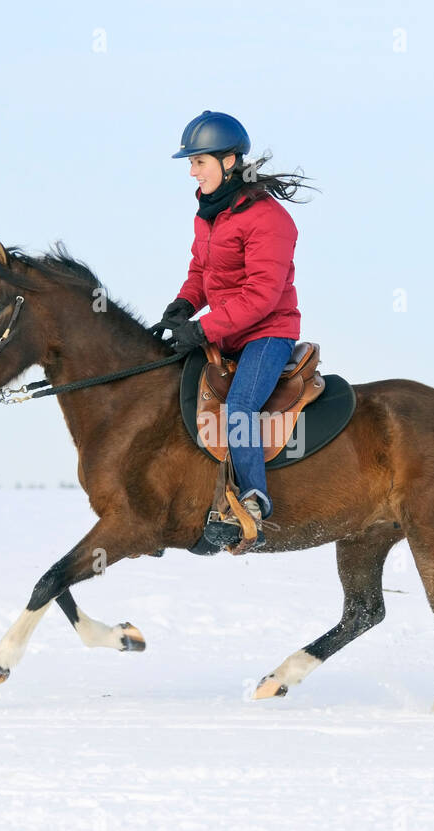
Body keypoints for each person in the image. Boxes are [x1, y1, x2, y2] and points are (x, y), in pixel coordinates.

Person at [155, 110, 316, 549]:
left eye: (198, 162)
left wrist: (202, 329)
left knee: (241, 408)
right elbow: (201, 270)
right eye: (190, 163)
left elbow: (261, 296)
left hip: (268, 334)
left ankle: (252, 503)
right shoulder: (208, 215)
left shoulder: (269, 219)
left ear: (229, 162)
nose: (191, 171)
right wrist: (183, 306)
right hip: (223, 333)